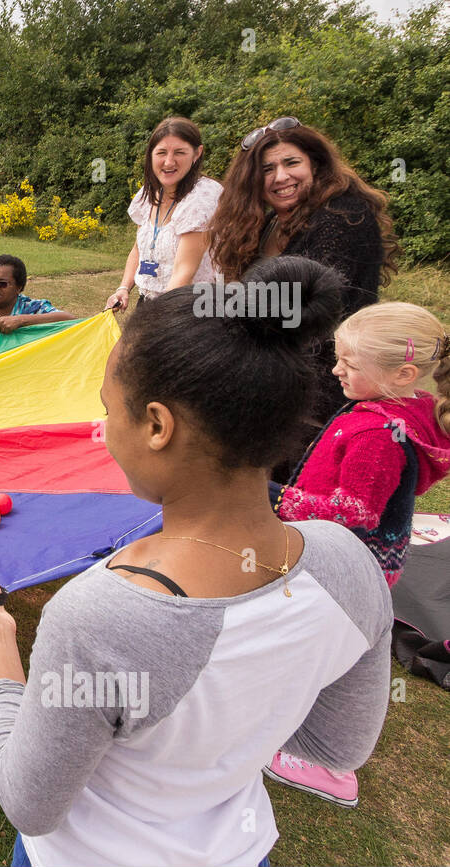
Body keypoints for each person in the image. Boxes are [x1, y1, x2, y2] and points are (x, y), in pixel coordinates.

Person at [0, 256, 393, 866]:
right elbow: (338, 745)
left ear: (158, 425)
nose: (103, 430)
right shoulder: (348, 565)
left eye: (109, 411)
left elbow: (30, 804)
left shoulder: (100, 615)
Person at [266, 303, 450, 808]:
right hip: (366, 565)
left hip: (345, 564)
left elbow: (354, 512)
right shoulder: (403, 411)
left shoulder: (377, 434)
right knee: (341, 651)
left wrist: (278, 498)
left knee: (318, 649)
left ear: (402, 373)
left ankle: (325, 765)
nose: (335, 370)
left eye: (348, 362)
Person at [208, 117, 400, 450]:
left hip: (326, 391)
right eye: (267, 169)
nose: (280, 177)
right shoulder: (268, 224)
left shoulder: (343, 216)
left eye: (291, 162)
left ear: (315, 163)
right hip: (278, 384)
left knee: (299, 488)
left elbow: (306, 309)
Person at [105, 117, 222, 313]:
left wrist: (154, 320)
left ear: (197, 153)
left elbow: (184, 272)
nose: (169, 161)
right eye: (161, 152)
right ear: (151, 155)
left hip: (191, 310)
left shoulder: (202, 197)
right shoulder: (147, 194)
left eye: (179, 152)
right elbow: (138, 250)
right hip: (153, 304)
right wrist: (123, 288)